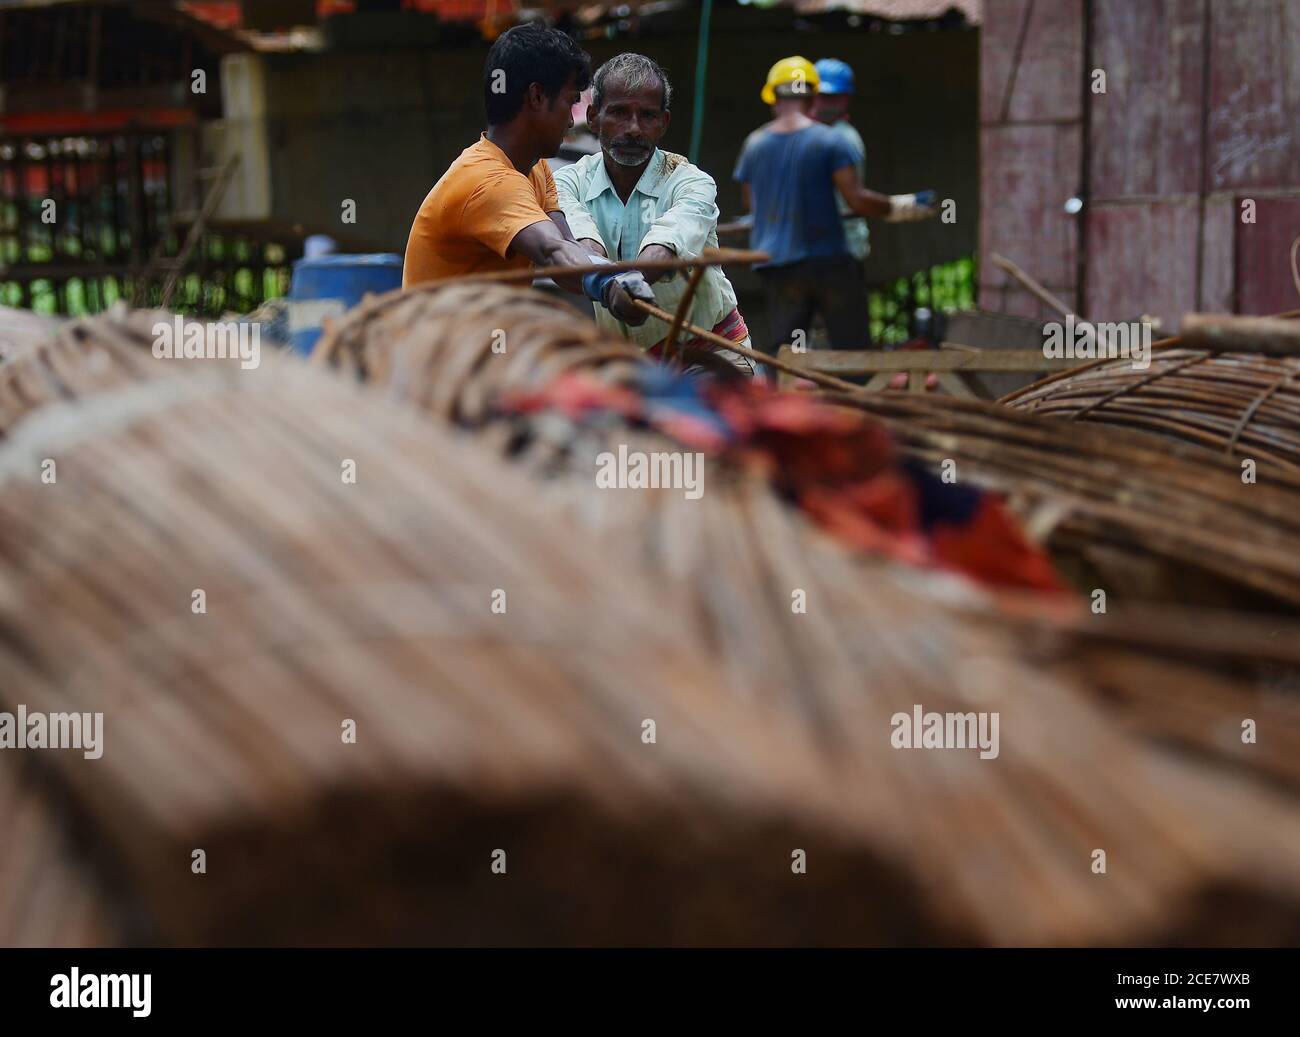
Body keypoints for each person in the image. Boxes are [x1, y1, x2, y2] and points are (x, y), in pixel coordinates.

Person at [402, 23, 653, 326]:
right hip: (437, 366)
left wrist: (617, 277)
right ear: (536, 97)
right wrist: (609, 284)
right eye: (569, 101)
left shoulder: (534, 166)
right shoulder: (489, 181)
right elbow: (552, 251)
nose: (571, 122)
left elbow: (566, 249)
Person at [553, 53, 756, 376]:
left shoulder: (692, 182)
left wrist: (626, 282)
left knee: (694, 424)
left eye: (647, 116)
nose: (633, 129)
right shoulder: (566, 182)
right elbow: (579, 244)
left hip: (710, 352)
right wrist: (611, 283)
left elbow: (669, 239)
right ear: (593, 117)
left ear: (664, 123)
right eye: (619, 113)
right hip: (630, 366)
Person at [734, 56, 934, 352]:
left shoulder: (754, 144)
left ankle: (784, 396)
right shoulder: (831, 141)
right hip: (828, 264)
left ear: (773, 98)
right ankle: (855, 392)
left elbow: (752, 203)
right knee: (851, 351)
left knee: (786, 352)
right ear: (813, 98)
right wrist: (900, 207)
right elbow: (857, 199)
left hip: (777, 268)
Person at [811, 58, 869, 266]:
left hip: (841, 248)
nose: (824, 104)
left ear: (845, 99)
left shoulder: (844, 139)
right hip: (812, 250)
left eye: (832, 98)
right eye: (821, 97)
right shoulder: (811, 134)